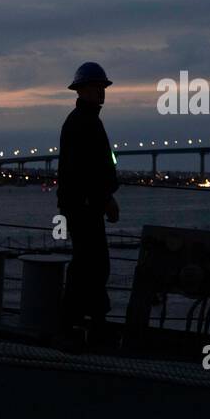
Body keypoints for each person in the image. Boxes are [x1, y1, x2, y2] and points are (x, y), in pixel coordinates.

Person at [56, 62, 120, 348]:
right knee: (91, 265)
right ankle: (81, 326)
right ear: (82, 90)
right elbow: (86, 171)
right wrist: (105, 198)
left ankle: (83, 324)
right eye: (96, 87)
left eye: (102, 87)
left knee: (89, 265)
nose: (101, 92)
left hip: (81, 206)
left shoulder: (84, 120)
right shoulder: (83, 123)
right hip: (84, 207)